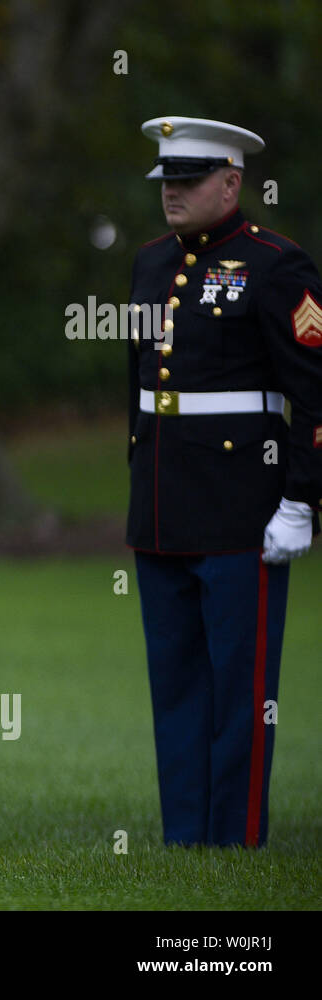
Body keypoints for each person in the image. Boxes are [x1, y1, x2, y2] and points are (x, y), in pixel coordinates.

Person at [127, 116, 322, 847]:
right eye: (167, 181)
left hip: (246, 510)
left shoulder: (277, 266)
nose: (172, 193)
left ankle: (235, 837)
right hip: (161, 507)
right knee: (174, 684)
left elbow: (314, 393)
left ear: (232, 182)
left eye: (189, 180)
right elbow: (140, 385)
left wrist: (301, 499)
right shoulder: (149, 263)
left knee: (239, 691)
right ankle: (185, 838)